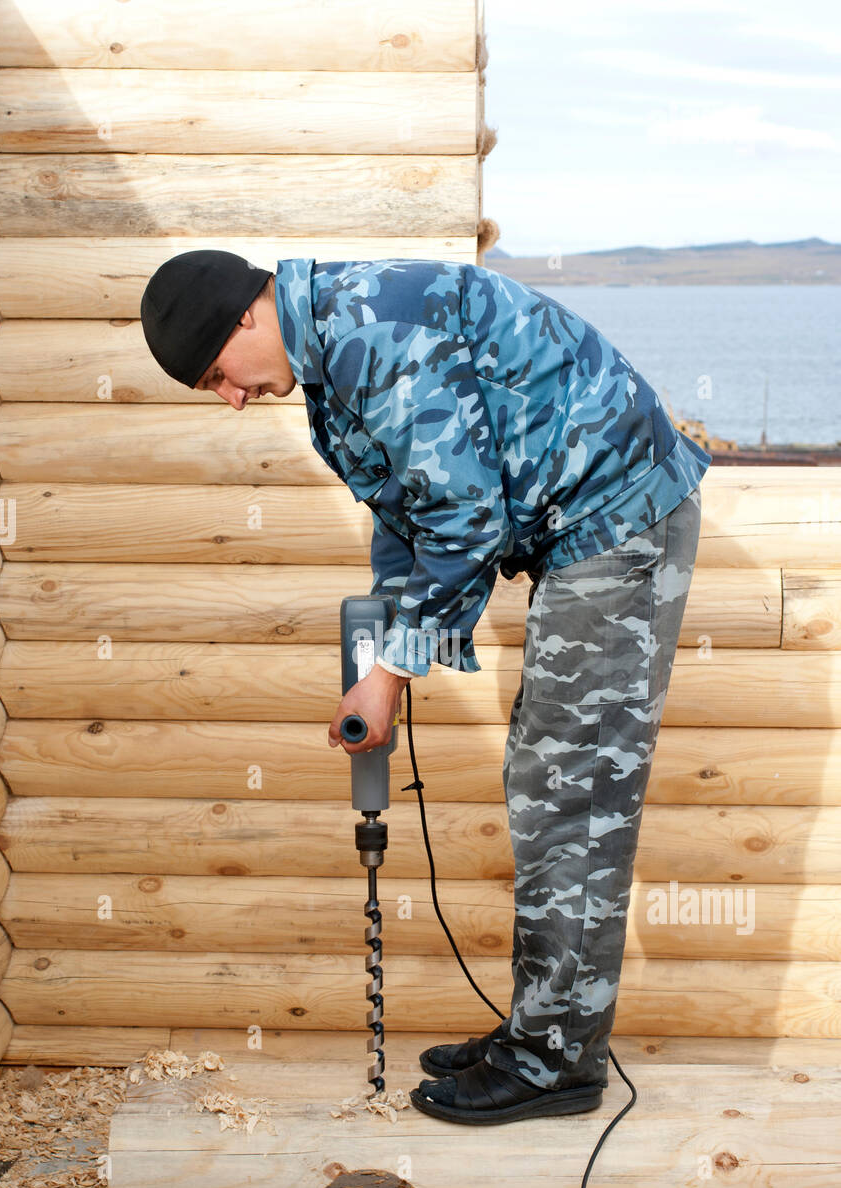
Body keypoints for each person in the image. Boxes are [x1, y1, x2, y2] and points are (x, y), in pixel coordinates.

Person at [141, 250, 710, 1126]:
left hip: (618, 515)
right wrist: (383, 675)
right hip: (582, 529)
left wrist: (389, 675)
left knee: (571, 792)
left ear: (246, 318)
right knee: (547, 781)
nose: (233, 397)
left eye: (220, 373)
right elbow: (405, 516)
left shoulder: (373, 337)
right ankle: (543, 1030)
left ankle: (556, 1060)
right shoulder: (329, 356)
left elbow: (464, 518)